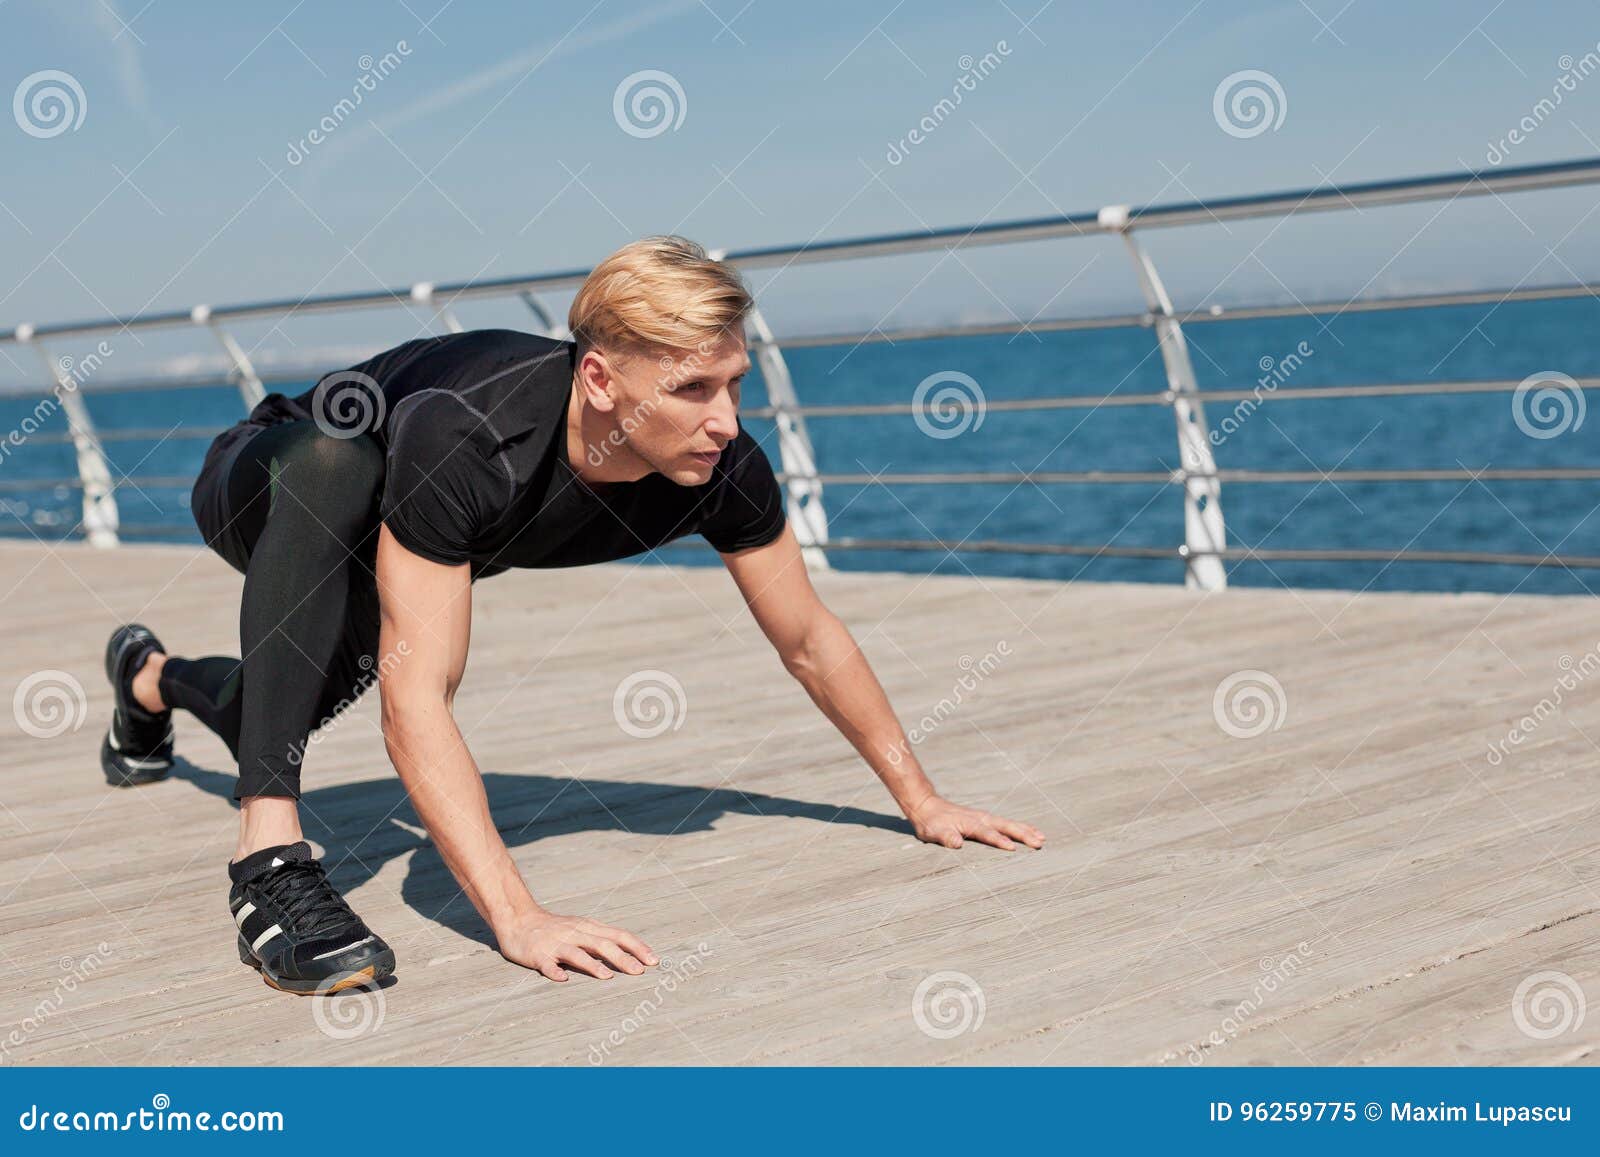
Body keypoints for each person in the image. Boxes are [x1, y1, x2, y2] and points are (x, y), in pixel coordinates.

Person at [100, 236, 1045, 997]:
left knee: (271, 707)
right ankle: (269, 861)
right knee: (336, 460)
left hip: (409, 534)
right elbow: (417, 700)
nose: (726, 419)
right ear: (599, 381)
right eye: (693, 389)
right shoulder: (473, 434)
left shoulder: (722, 468)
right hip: (274, 477)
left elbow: (808, 637)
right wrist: (517, 916)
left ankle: (146, 678)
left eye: (736, 383)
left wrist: (921, 800)